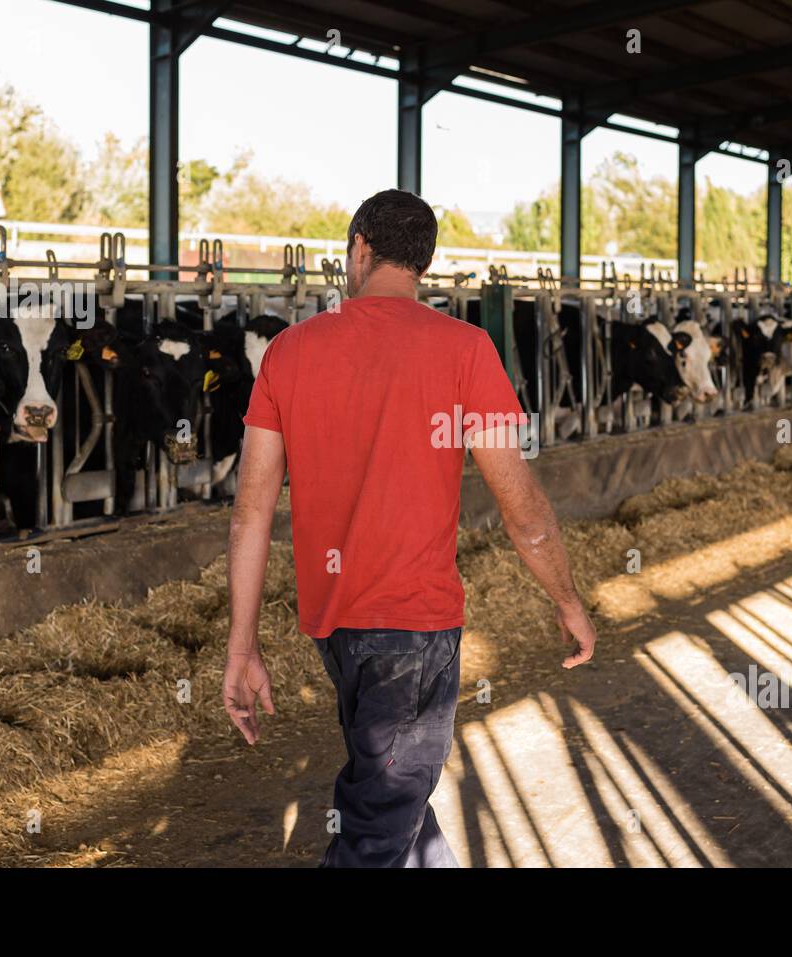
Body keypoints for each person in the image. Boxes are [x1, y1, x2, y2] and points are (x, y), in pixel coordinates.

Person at [222, 188, 596, 868]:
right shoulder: (466, 349)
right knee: (377, 826)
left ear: (360, 249)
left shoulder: (288, 352)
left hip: (334, 627)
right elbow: (524, 509)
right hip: (417, 630)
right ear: (421, 264)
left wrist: (241, 644)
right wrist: (568, 600)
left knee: (395, 800)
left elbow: (251, 513)